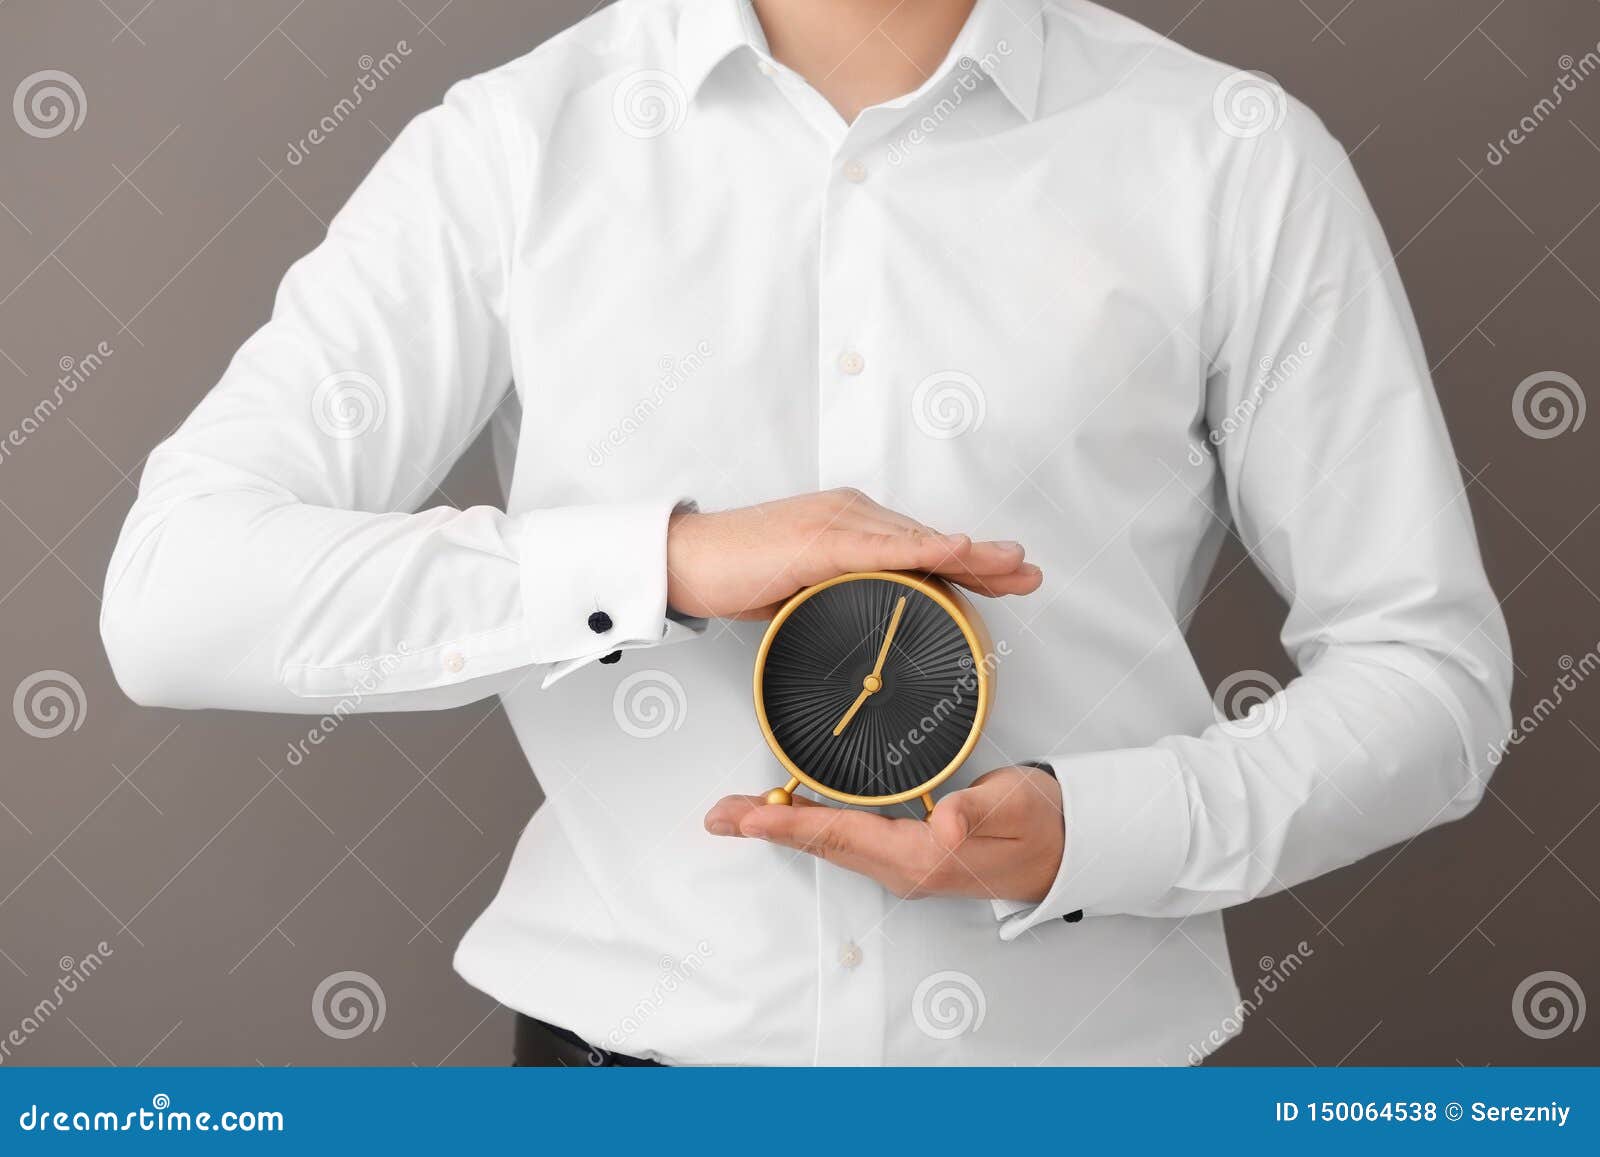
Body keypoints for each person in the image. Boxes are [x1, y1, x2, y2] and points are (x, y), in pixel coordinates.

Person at [100, 0, 1512, 1065]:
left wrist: (1092, 834)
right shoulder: (513, 146)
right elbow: (177, 592)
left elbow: (1429, 680)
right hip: (614, 1075)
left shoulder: (1228, 154)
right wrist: (665, 562)